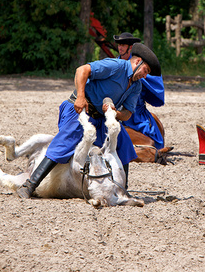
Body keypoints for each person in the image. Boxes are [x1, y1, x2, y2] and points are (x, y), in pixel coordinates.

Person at [20, 51, 149, 197]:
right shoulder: (116, 66)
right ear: (138, 61)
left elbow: (128, 113)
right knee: (67, 141)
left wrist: (115, 113)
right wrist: (81, 97)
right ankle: (30, 185)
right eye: (146, 70)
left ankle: (122, 189)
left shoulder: (136, 86)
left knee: (123, 141)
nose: (145, 76)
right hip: (80, 110)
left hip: (100, 118)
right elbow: (82, 70)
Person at [126, 41, 166, 156]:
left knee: (156, 139)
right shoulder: (117, 67)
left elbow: (157, 95)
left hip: (137, 112)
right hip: (122, 113)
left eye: (124, 45)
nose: (120, 48)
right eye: (119, 45)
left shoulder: (140, 75)